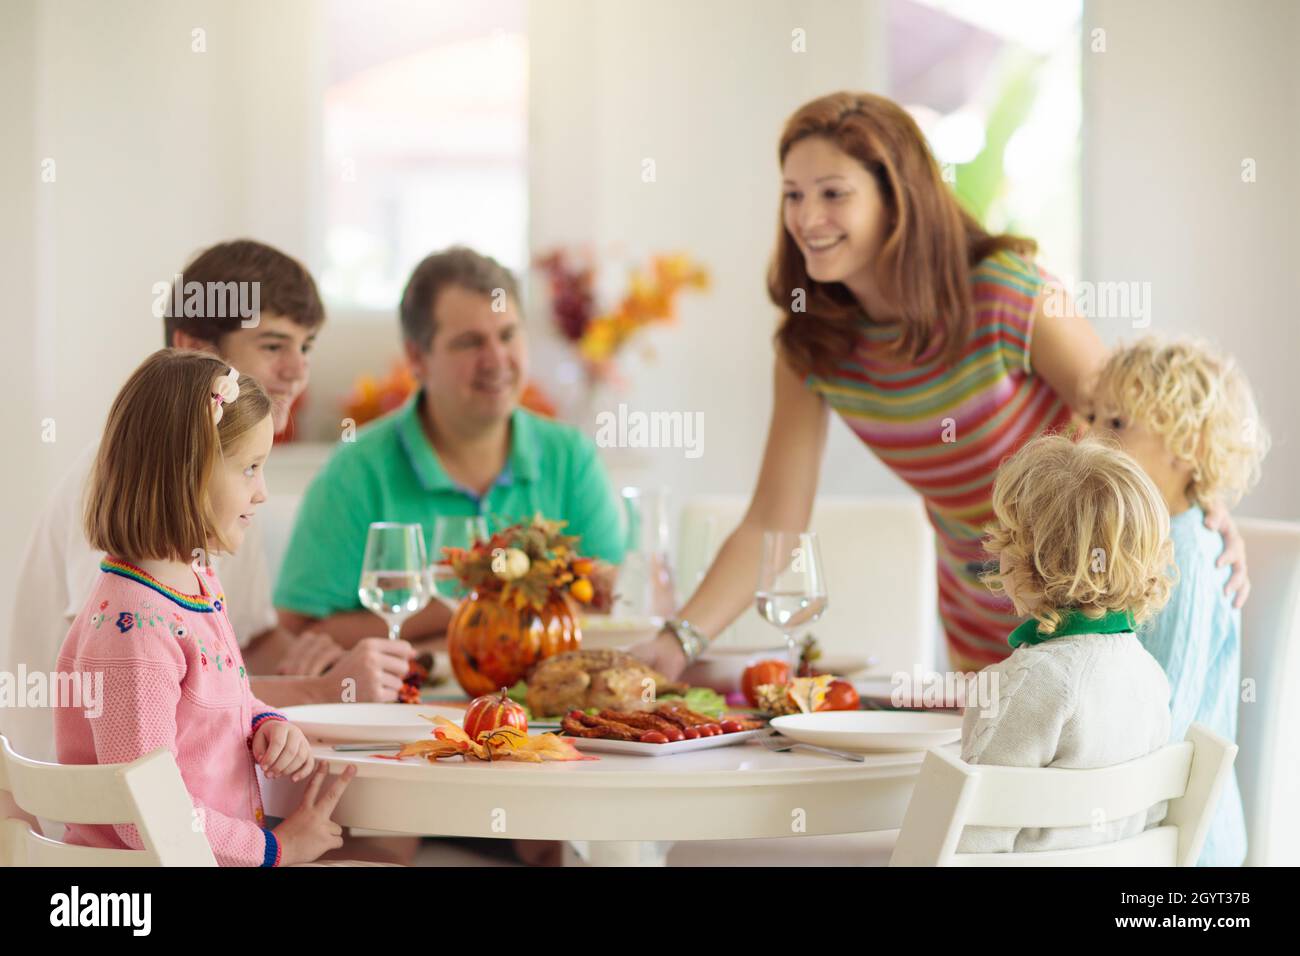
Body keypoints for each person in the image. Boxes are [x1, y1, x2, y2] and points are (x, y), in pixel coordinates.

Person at [630, 91, 1249, 679]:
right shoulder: (812, 346)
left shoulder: (1007, 294)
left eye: (833, 193)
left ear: (897, 199)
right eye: (793, 194)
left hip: (1097, 608)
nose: (807, 218)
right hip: (979, 618)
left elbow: (1136, 421)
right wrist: (677, 641)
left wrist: (1204, 505)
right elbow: (774, 523)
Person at [2, 240, 415, 768]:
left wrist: (318, 665)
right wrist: (325, 690)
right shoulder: (125, 483)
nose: (297, 371)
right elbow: (139, 683)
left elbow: (251, 636)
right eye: (273, 346)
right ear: (193, 347)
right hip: (91, 816)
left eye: (306, 347)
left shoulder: (230, 486)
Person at [54, 350, 356, 866]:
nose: (262, 493)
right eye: (250, 469)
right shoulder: (136, 630)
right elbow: (145, 814)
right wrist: (276, 849)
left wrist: (263, 724)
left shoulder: (193, 584)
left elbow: (213, 705)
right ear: (184, 474)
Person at [275, 246, 626, 645]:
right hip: (402, 703)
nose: (496, 359)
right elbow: (296, 634)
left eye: (508, 335)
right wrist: (457, 605)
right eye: (469, 342)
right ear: (417, 358)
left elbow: (608, 599)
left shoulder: (570, 457)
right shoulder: (357, 471)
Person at [1087, 337, 1270, 865]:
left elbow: (1164, 723)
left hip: (1186, 843)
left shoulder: (1185, 553)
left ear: (1185, 444)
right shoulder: (1149, 541)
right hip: (1150, 821)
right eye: (1094, 415)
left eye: (1117, 424)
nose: (1091, 435)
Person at [958, 434, 1174, 854]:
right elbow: (1149, 823)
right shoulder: (1151, 679)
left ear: (1027, 560)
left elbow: (971, 837)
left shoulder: (1027, 683)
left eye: (1006, 535)